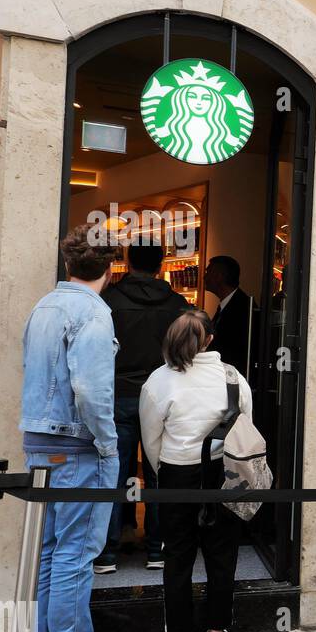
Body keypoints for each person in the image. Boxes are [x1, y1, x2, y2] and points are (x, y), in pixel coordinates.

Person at [21, 223, 128, 632]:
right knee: (76, 550)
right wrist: (107, 442)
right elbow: (90, 387)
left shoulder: (43, 306)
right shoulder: (94, 313)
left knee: (49, 549)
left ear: (69, 262)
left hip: (40, 441)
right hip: (77, 444)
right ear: (111, 266)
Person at [140, 310, 252, 632]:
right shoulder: (234, 378)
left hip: (178, 471)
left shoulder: (159, 381)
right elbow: (247, 430)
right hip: (224, 474)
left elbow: (150, 438)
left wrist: (161, 470)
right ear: (210, 339)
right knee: (222, 555)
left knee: (177, 554)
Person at [95, 240, 190, 573]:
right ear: (161, 264)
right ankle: (156, 550)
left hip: (117, 394)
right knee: (158, 474)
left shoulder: (108, 301)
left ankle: (106, 553)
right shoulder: (178, 305)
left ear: (128, 262)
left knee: (114, 473)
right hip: (160, 396)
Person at [203, 254, 253, 378]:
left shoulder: (241, 308)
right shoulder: (228, 305)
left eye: (208, 272)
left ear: (220, 276)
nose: (204, 277)